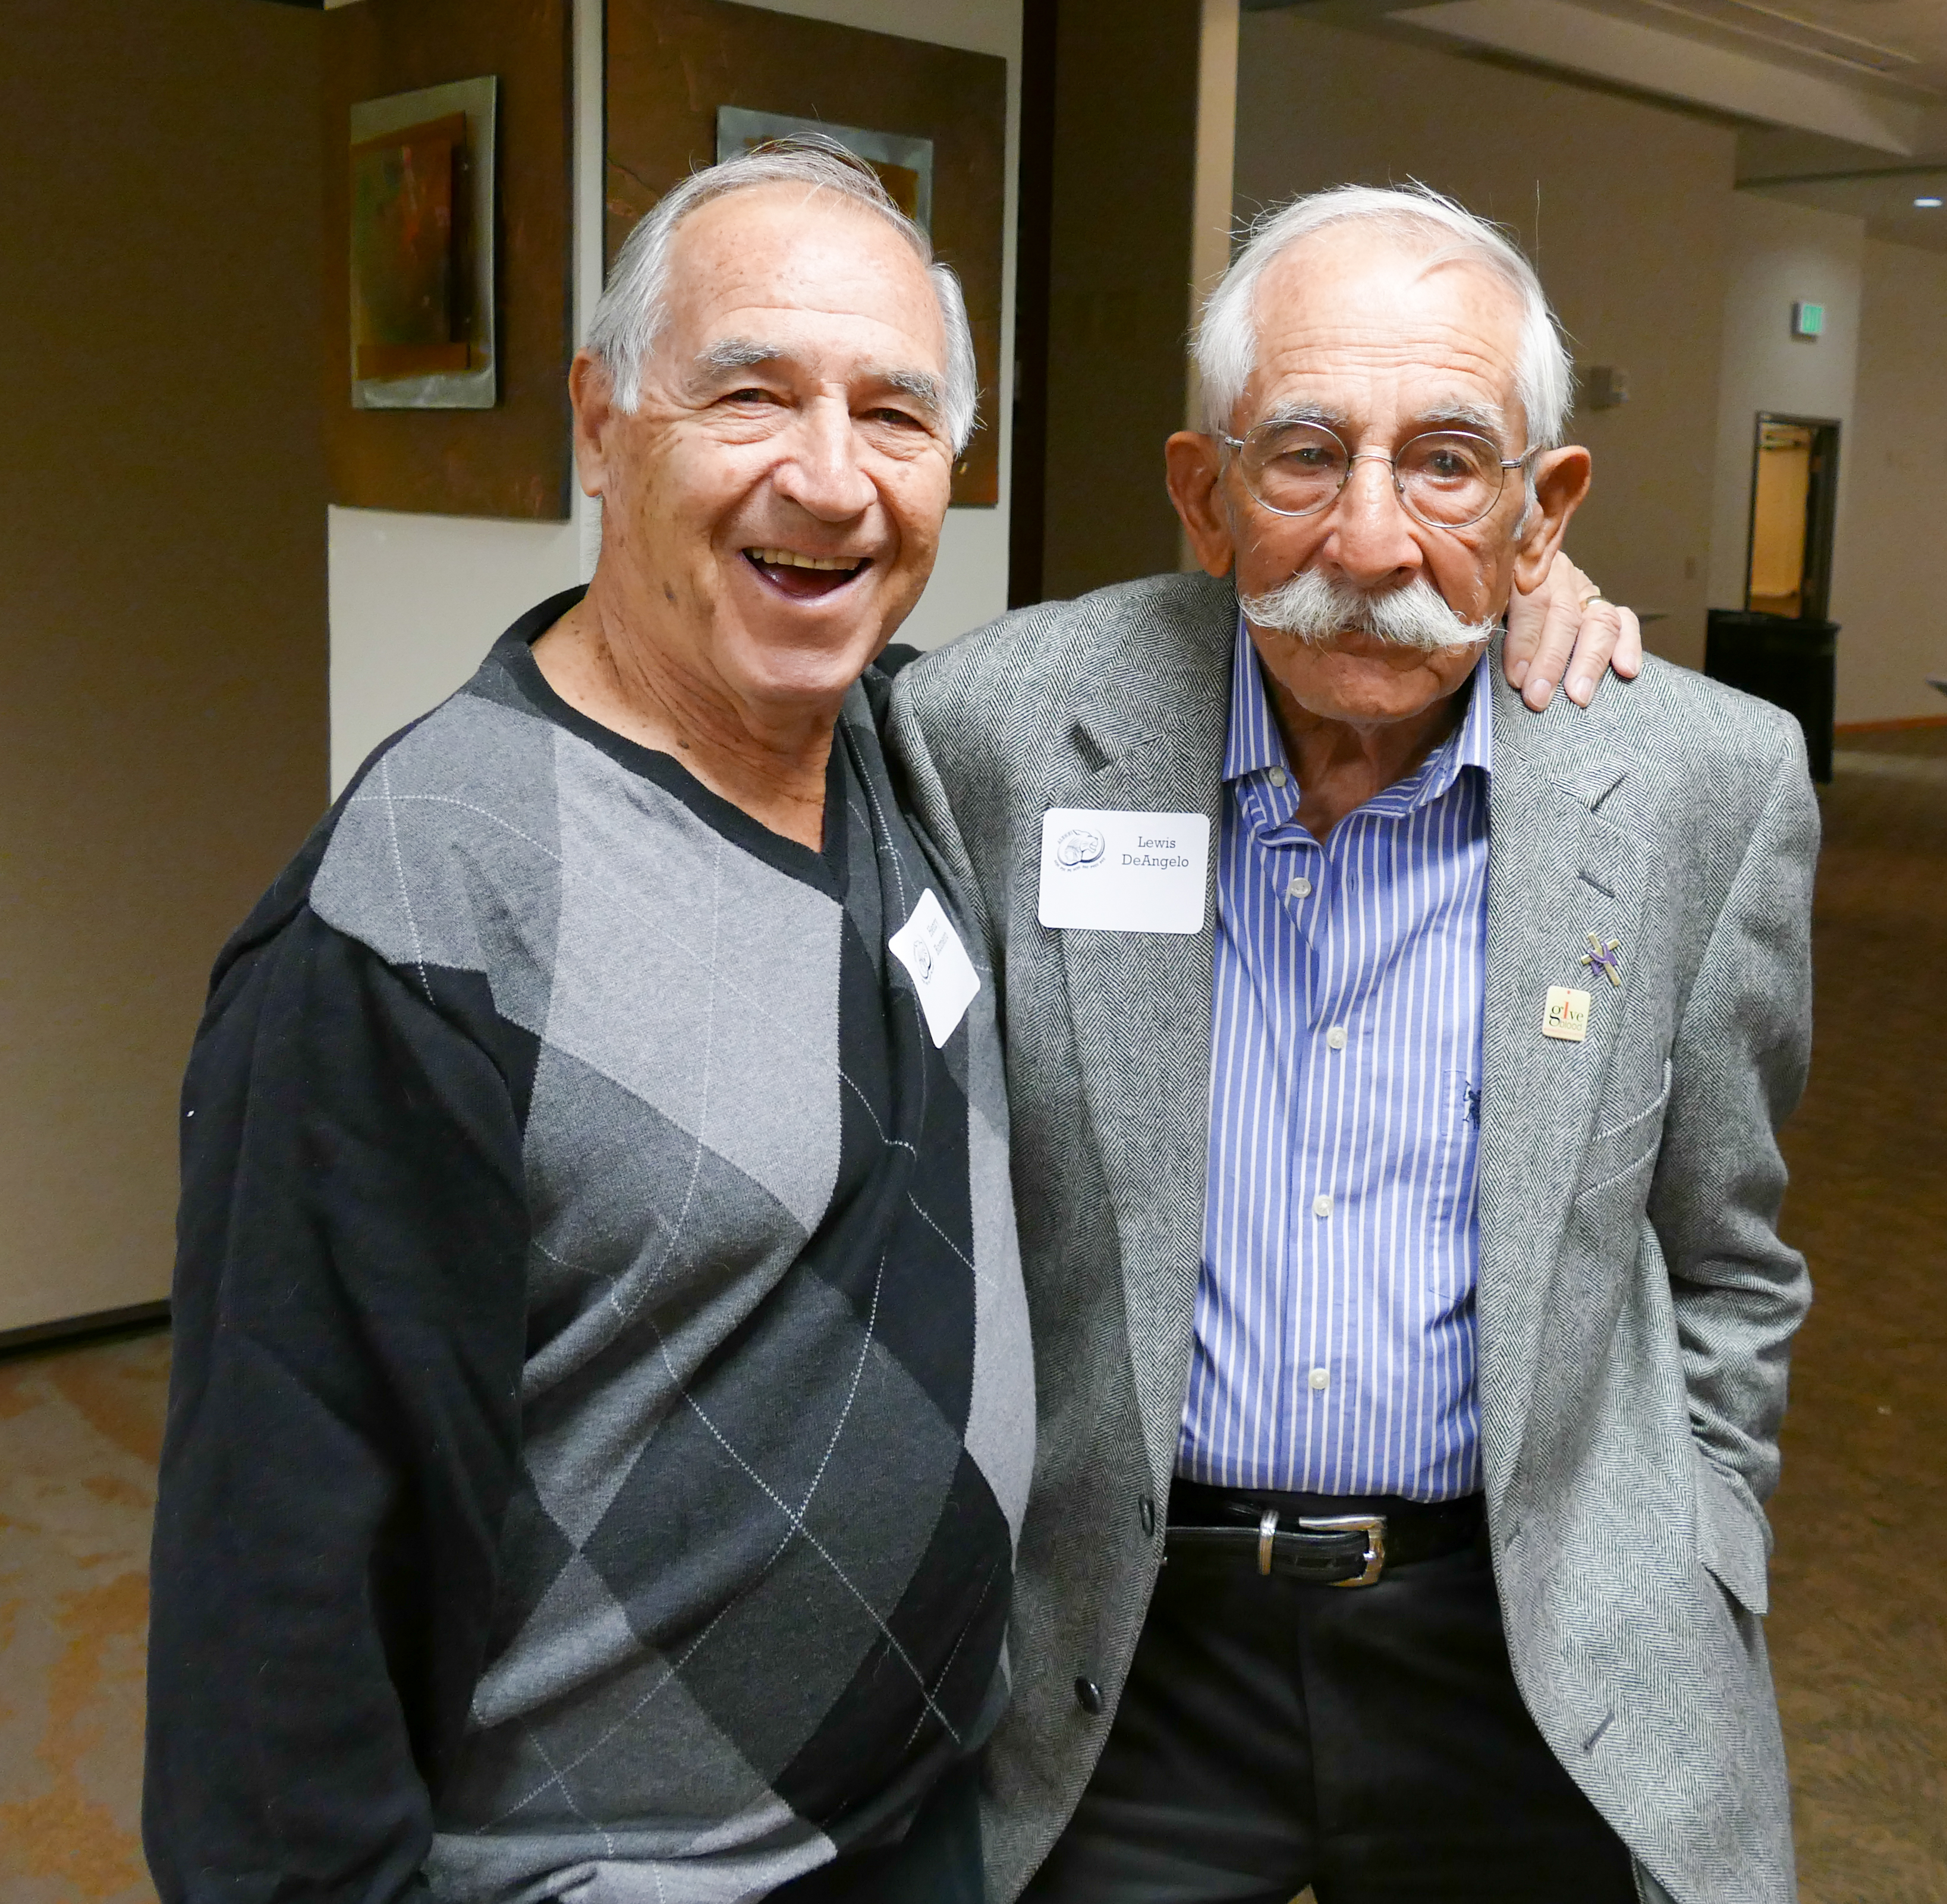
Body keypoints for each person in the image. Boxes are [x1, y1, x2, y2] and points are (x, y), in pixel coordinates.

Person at [144, 146, 1637, 1904]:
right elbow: (273, 1608)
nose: (830, 480)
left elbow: (1318, 602)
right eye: (751, 394)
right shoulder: (416, 917)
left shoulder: (908, 757)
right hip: (608, 1869)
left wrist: (1514, 584)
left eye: (894, 414)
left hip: (936, 1817)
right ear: (602, 422)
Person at [888, 184, 1816, 1904]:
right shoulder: (989, 734)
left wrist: (1697, 1555)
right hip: (1120, 1646)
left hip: (1523, 1652)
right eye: (1303, 453)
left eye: (1448, 462)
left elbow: (1724, 1256)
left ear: (1547, 511)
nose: (1372, 538)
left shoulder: (1703, 782)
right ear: (1203, 491)